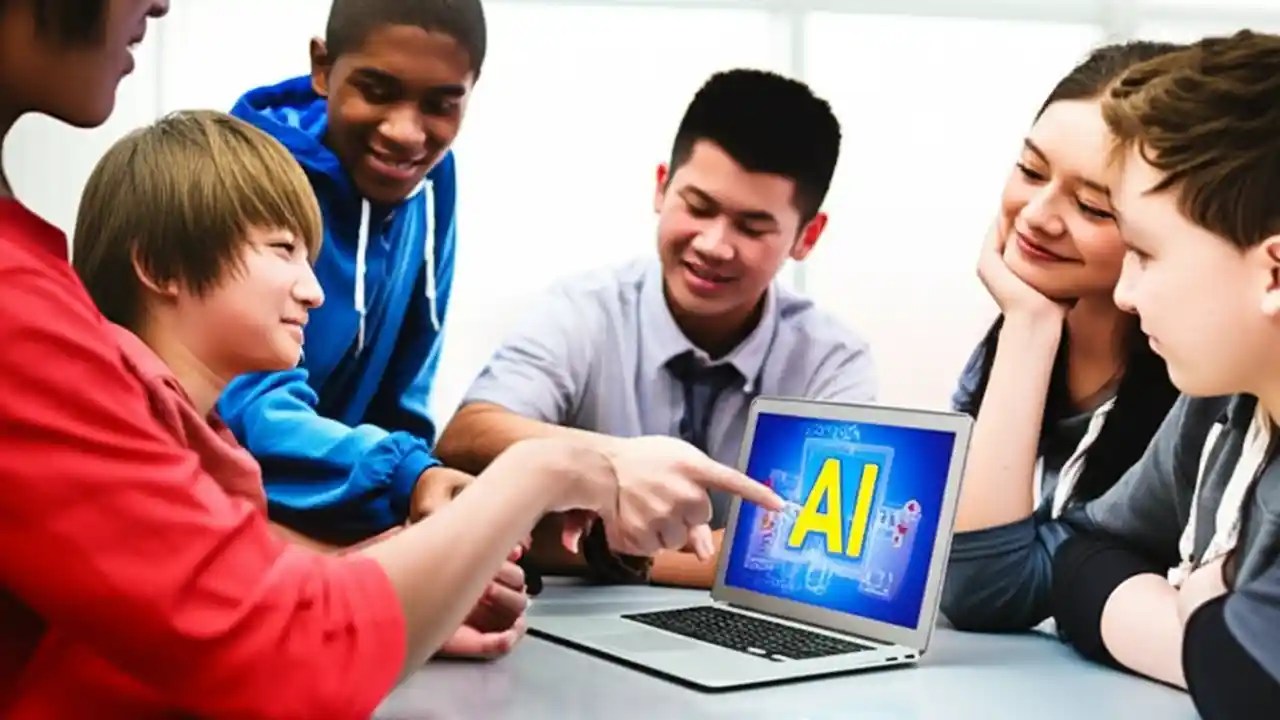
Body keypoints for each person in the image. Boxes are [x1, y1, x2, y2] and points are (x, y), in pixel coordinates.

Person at [0, 2, 782, 716]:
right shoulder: (89, 354)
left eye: (442, 102)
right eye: (281, 251)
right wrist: (536, 473)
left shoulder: (429, 198)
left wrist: (410, 574)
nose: (311, 291)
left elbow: (264, 577)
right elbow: (267, 641)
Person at [435, 68, 877, 589]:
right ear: (662, 187)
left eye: (752, 227)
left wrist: (611, 551)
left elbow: (824, 557)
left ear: (807, 236)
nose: (714, 244)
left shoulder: (832, 361)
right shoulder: (584, 311)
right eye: (698, 206)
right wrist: (614, 461)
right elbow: (465, 440)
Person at [1047, 30, 1280, 717]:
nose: (1123, 294)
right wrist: (1201, 620)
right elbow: (1079, 561)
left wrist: (1215, 614)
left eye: (1145, 253)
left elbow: (1250, 680)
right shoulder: (1228, 404)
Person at [217, 0, 484, 545]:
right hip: (223, 515)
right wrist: (407, 476)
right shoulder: (247, 178)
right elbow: (244, 404)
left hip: (344, 514)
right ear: (323, 66)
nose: (408, 133)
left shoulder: (432, 181)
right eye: (377, 91)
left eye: (441, 104)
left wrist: (423, 516)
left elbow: (405, 397)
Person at [939, 41, 1181, 632]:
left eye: (1094, 207)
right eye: (1030, 171)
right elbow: (944, 561)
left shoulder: (1197, 387)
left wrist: (1028, 326)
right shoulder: (1010, 349)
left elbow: (982, 590)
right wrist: (1029, 326)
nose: (1038, 215)